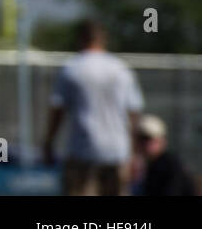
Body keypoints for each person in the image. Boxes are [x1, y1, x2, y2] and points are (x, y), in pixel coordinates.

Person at [43, 20, 144, 196]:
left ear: (80, 39)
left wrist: (49, 143)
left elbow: (57, 110)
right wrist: (135, 152)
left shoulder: (72, 68)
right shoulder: (120, 69)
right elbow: (133, 112)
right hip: (117, 150)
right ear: (103, 39)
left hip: (82, 150)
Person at [132, 114, 196, 196]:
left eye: (148, 139)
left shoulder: (171, 166)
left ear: (162, 141)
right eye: (141, 139)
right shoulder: (143, 166)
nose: (144, 144)